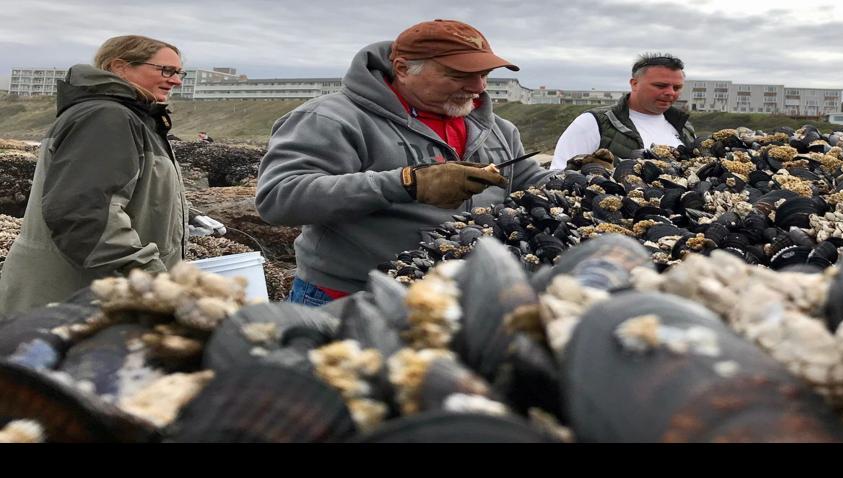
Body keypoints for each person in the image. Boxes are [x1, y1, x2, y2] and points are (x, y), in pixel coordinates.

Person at [255, 19, 562, 305]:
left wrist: (585, 177)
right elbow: (279, 197)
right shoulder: (331, 119)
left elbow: (527, 181)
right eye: (459, 75)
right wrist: (407, 183)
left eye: (484, 75)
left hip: (460, 299)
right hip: (352, 296)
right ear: (402, 69)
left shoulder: (498, 128)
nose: (478, 87)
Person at [0, 35, 190, 315]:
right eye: (166, 70)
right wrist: (152, 276)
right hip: (70, 302)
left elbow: (131, 191)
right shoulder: (105, 117)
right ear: (119, 67)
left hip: (96, 299)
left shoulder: (133, 118)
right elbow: (84, 214)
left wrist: (183, 214)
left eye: (179, 72)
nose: (176, 81)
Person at [550, 53, 697, 171]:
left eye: (677, 88)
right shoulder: (593, 122)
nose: (670, 92)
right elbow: (557, 174)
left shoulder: (685, 128)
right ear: (634, 84)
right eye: (660, 85)